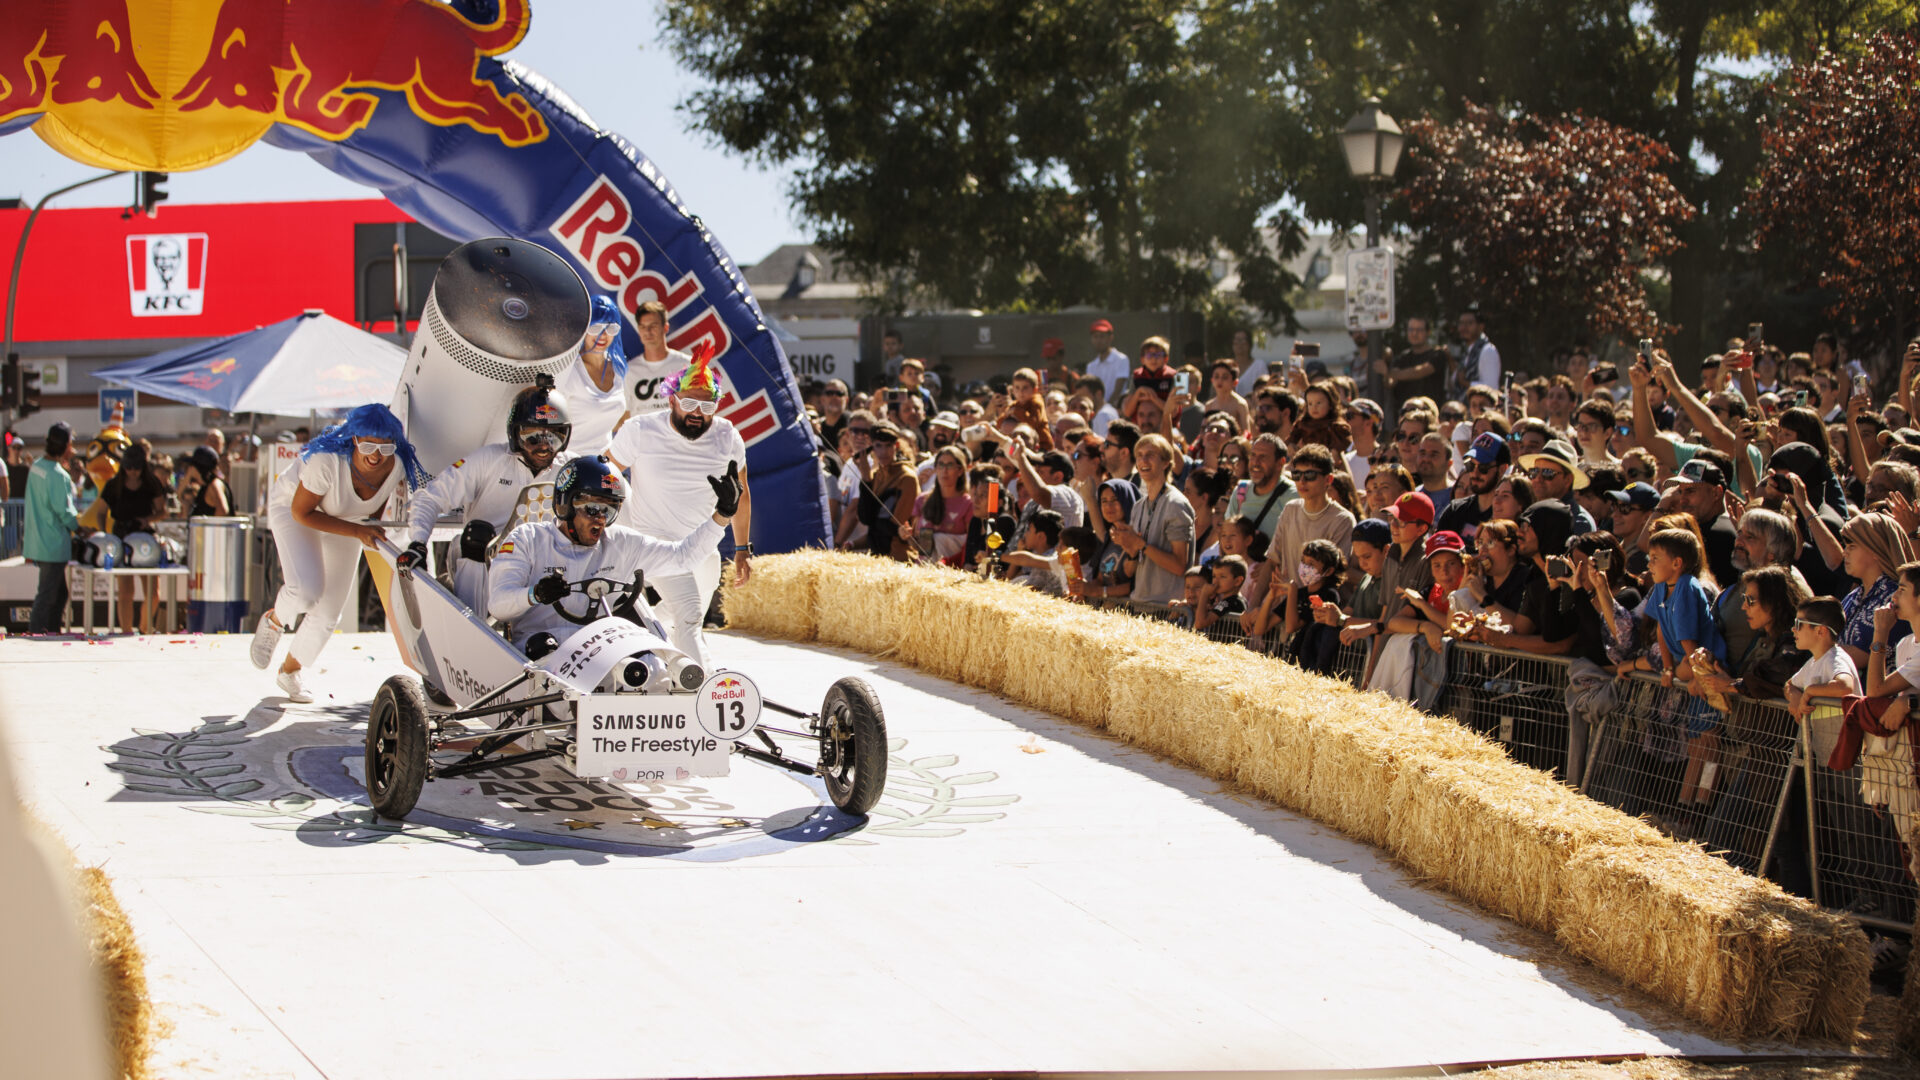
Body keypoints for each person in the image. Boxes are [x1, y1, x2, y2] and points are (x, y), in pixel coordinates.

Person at [251, 405, 427, 703]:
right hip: (296, 511)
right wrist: (358, 533)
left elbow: (382, 513)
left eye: (385, 446)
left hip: (347, 521)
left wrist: (376, 534)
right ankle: (274, 621)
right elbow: (301, 512)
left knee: (330, 612)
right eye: (368, 445)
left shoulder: (395, 464)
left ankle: (289, 672)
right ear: (354, 439)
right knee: (306, 591)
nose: (376, 455)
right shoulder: (326, 461)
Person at [488, 456, 742, 654]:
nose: (600, 520)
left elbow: (683, 557)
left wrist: (723, 515)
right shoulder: (526, 539)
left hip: (599, 649)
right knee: (549, 663)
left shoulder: (622, 542)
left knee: (650, 668)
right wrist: (536, 594)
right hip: (540, 648)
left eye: (609, 511)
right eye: (592, 508)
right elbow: (498, 606)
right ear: (564, 504)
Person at [607, 349, 752, 672]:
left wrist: (742, 549)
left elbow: (741, 495)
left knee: (684, 615)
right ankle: (706, 692)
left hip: (703, 544)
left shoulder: (728, 436)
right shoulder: (641, 430)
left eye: (707, 405)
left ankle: (645, 642)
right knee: (688, 614)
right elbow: (606, 475)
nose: (697, 413)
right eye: (689, 403)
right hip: (654, 542)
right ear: (671, 399)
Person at [399, 380, 577, 617]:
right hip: (488, 559)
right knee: (477, 534)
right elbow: (430, 498)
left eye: (554, 437)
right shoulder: (488, 459)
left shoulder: (573, 469)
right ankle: (473, 623)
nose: (544, 447)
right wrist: (418, 542)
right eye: (532, 437)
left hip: (545, 563)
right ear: (515, 434)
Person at [87, 441, 171, 635]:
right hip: (121, 536)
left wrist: (147, 519)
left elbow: (162, 511)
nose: (133, 472)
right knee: (126, 591)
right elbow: (101, 511)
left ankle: (143, 627)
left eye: (137, 468)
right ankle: (126, 631)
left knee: (153, 591)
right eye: (129, 468)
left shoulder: (151, 483)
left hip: (144, 538)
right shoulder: (113, 485)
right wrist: (105, 534)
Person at [1110, 434, 1193, 605]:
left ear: (1166, 463)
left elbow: (1179, 566)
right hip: (1140, 604)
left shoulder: (1176, 504)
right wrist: (1127, 544)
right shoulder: (1138, 506)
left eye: (1150, 455)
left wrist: (1141, 544)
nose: (1143, 460)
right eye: (1139, 455)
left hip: (1167, 608)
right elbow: (1130, 570)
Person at [25, 422, 83, 634]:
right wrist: (81, 528)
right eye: (71, 443)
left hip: (37, 541)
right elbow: (65, 512)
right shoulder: (59, 475)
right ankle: (37, 634)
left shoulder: (37, 466)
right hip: (53, 544)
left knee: (58, 594)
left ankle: (50, 631)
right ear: (66, 445)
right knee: (48, 595)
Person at [557, 296, 630, 455]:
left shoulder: (618, 369)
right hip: (568, 464)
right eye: (595, 328)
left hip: (604, 466)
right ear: (583, 328)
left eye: (611, 328)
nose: (602, 335)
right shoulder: (569, 372)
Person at [619, 300, 692, 425]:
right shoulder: (629, 371)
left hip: (678, 441)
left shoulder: (687, 365)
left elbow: (699, 410)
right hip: (643, 441)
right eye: (643, 327)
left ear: (665, 327)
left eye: (653, 326)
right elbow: (624, 417)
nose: (648, 332)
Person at [1434, 433, 1510, 544]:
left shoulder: (1507, 514)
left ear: (1502, 469)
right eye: (1471, 465)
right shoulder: (1455, 510)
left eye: (1484, 467)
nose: (1475, 473)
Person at [913, 445, 973, 563]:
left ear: (960, 470)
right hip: (923, 568)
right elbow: (916, 543)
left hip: (951, 568)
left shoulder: (968, 503)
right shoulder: (922, 500)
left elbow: (970, 543)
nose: (944, 470)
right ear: (935, 468)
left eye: (950, 465)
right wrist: (906, 535)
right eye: (941, 464)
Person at [1384, 316, 1446, 410]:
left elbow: (1419, 372)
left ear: (1428, 332)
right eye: (1411, 329)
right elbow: (1390, 383)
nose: (1414, 333)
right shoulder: (1402, 357)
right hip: (1405, 413)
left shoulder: (1437, 354)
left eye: (1419, 330)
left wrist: (1388, 373)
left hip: (1429, 412)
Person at [1448, 307, 1501, 402]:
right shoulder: (1466, 351)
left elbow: (1491, 388)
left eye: (1469, 323)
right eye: (1461, 323)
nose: (1464, 328)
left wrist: (1466, 383)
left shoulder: (1488, 351)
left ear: (1481, 326)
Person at [178, 446, 232, 518]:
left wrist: (209, 527)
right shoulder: (205, 486)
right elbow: (179, 496)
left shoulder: (215, 484)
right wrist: (188, 476)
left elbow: (223, 510)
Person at [1085, 319, 1131, 402]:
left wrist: (1106, 407)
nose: (1098, 340)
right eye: (1095, 336)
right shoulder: (1091, 366)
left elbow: (1118, 390)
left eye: (1102, 336)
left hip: (1116, 410)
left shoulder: (1122, 359)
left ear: (1110, 338)